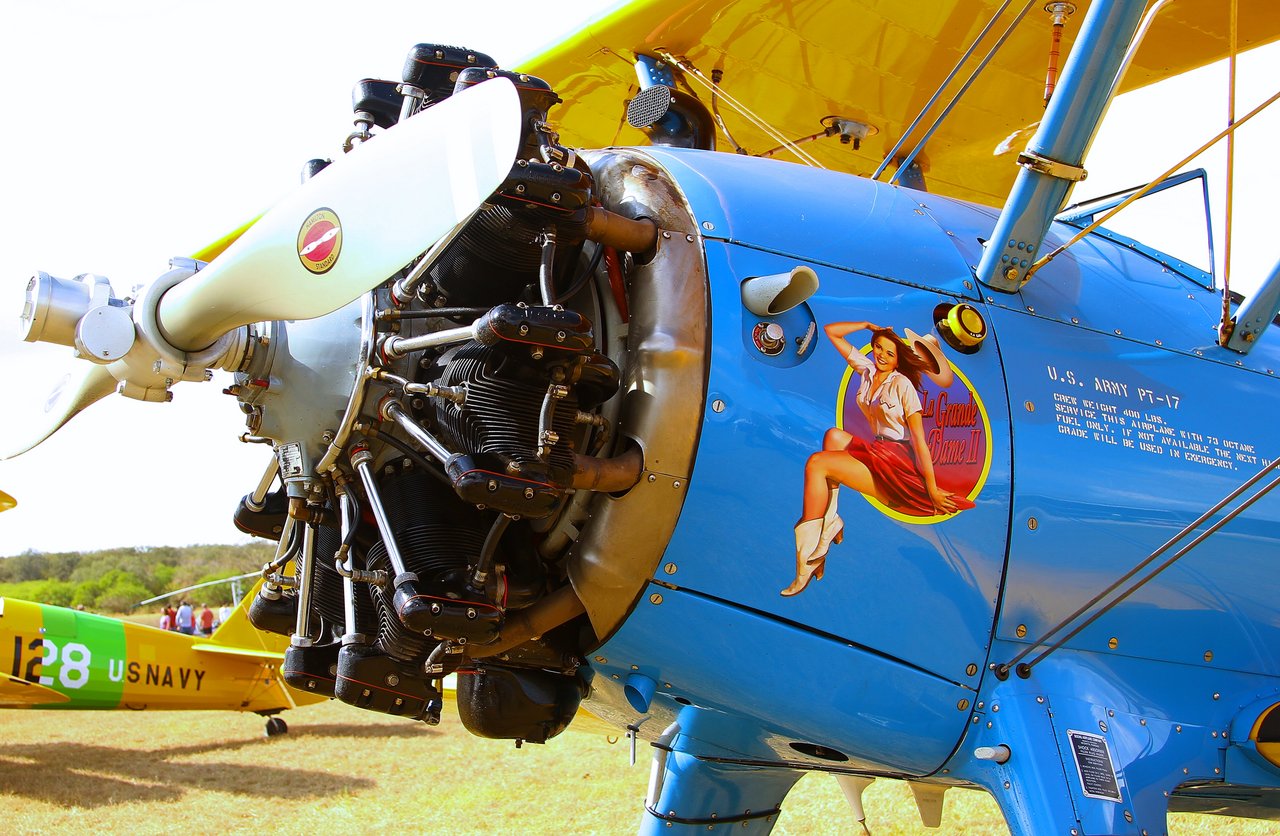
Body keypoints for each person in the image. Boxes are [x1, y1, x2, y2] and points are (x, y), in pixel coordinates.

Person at [782, 321, 973, 597]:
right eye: (879, 349)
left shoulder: (904, 386)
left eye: (890, 353)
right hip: (878, 448)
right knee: (834, 436)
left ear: (899, 361)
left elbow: (919, 440)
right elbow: (831, 332)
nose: (882, 355)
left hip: (896, 459)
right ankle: (827, 529)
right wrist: (867, 326)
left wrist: (931, 487)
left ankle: (804, 566)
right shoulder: (869, 371)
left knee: (817, 463)